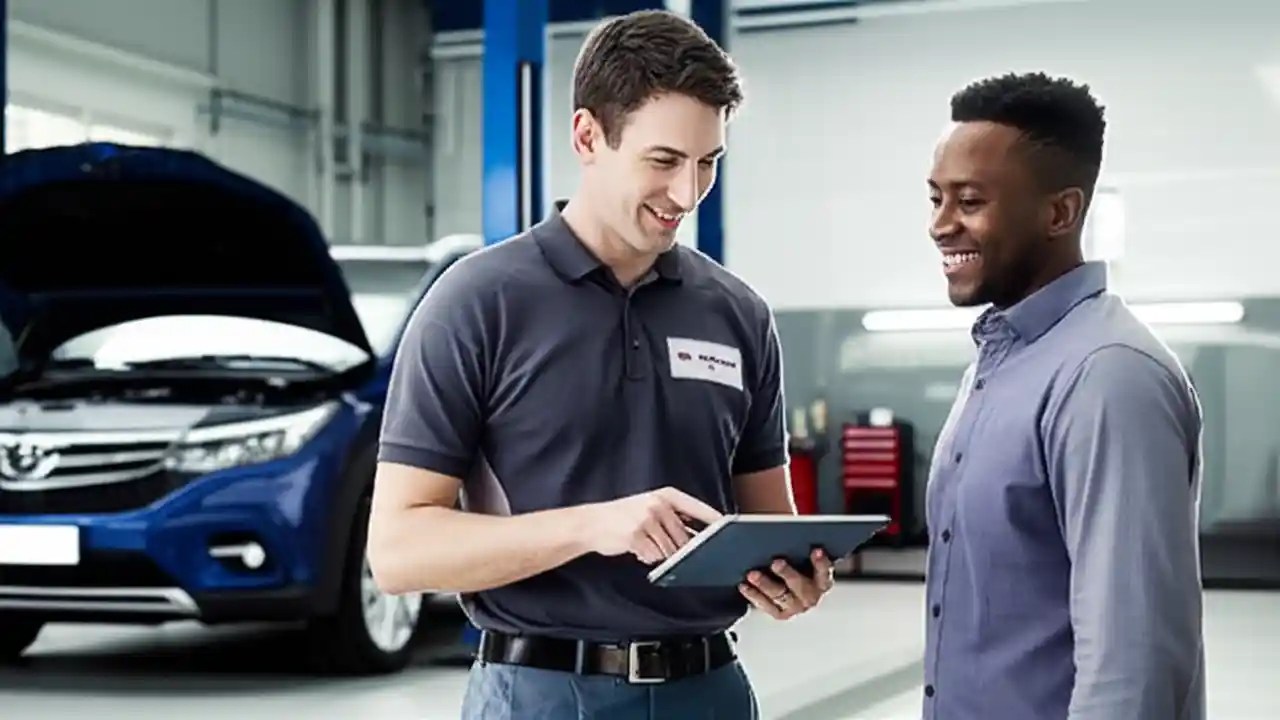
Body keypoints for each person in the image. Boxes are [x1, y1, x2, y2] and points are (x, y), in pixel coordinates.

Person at [367, 10, 834, 718]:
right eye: (663, 161)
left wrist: (792, 578)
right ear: (588, 136)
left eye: (707, 162)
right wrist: (594, 525)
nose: (687, 194)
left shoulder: (738, 314)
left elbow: (769, 521)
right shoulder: (478, 303)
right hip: (542, 694)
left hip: (710, 692)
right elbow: (400, 552)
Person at [921, 71, 1206, 720]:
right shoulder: (1000, 363)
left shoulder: (1108, 375)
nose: (940, 225)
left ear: (1060, 213)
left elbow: (1132, 665)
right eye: (935, 198)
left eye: (969, 201)